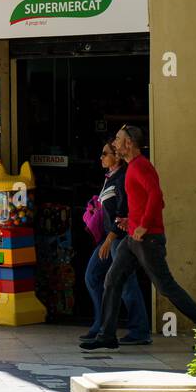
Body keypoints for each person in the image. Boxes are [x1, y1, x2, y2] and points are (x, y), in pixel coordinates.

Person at [82, 125, 196, 352]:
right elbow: (145, 201)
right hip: (132, 239)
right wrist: (132, 221)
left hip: (148, 239)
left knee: (165, 286)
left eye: (118, 140)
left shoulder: (141, 166)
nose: (115, 144)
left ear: (129, 143)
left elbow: (157, 197)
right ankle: (107, 335)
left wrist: (144, 225)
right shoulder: (132, 168)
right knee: (113, 279)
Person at [81, 141, 150, 344]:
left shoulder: (122, 179)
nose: (101, 157)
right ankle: (100, 323)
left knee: (127, 284)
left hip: (118, 238)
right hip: (109, 238)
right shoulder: (110, 178)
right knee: (93, 276)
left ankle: (139, 330)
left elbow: (122, 212)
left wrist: (109, 238)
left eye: (105, 153)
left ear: (117, 156)